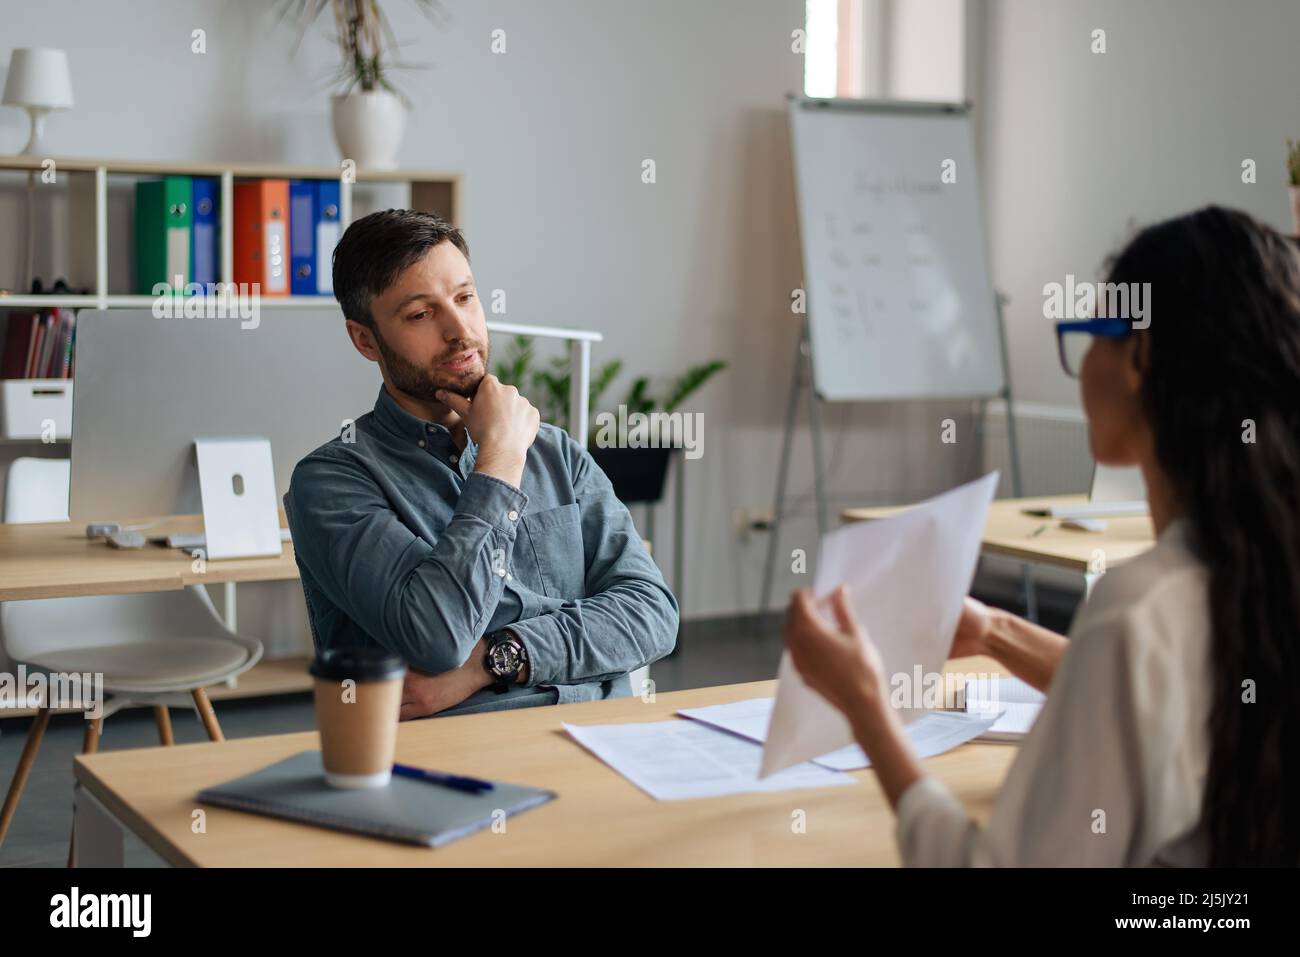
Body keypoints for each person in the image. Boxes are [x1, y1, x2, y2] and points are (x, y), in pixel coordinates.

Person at [782, 206, 1300, 866]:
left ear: (1138, 354)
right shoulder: (1257, 571)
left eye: (1087, 335)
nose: (1081, 363)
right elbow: (1144, 697)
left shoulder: (1139, 606)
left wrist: (865, 707)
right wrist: (996, 630)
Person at [285, 210, 678, 720]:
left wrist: (495, 660)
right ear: (365, 340)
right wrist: (501, 459)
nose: (459, 330)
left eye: (465, 298)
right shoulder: (333, 479)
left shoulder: (555, 451)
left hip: (601, 737)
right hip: (453, 764)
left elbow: (652, 614)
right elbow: (438, 637)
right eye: (421, 314)